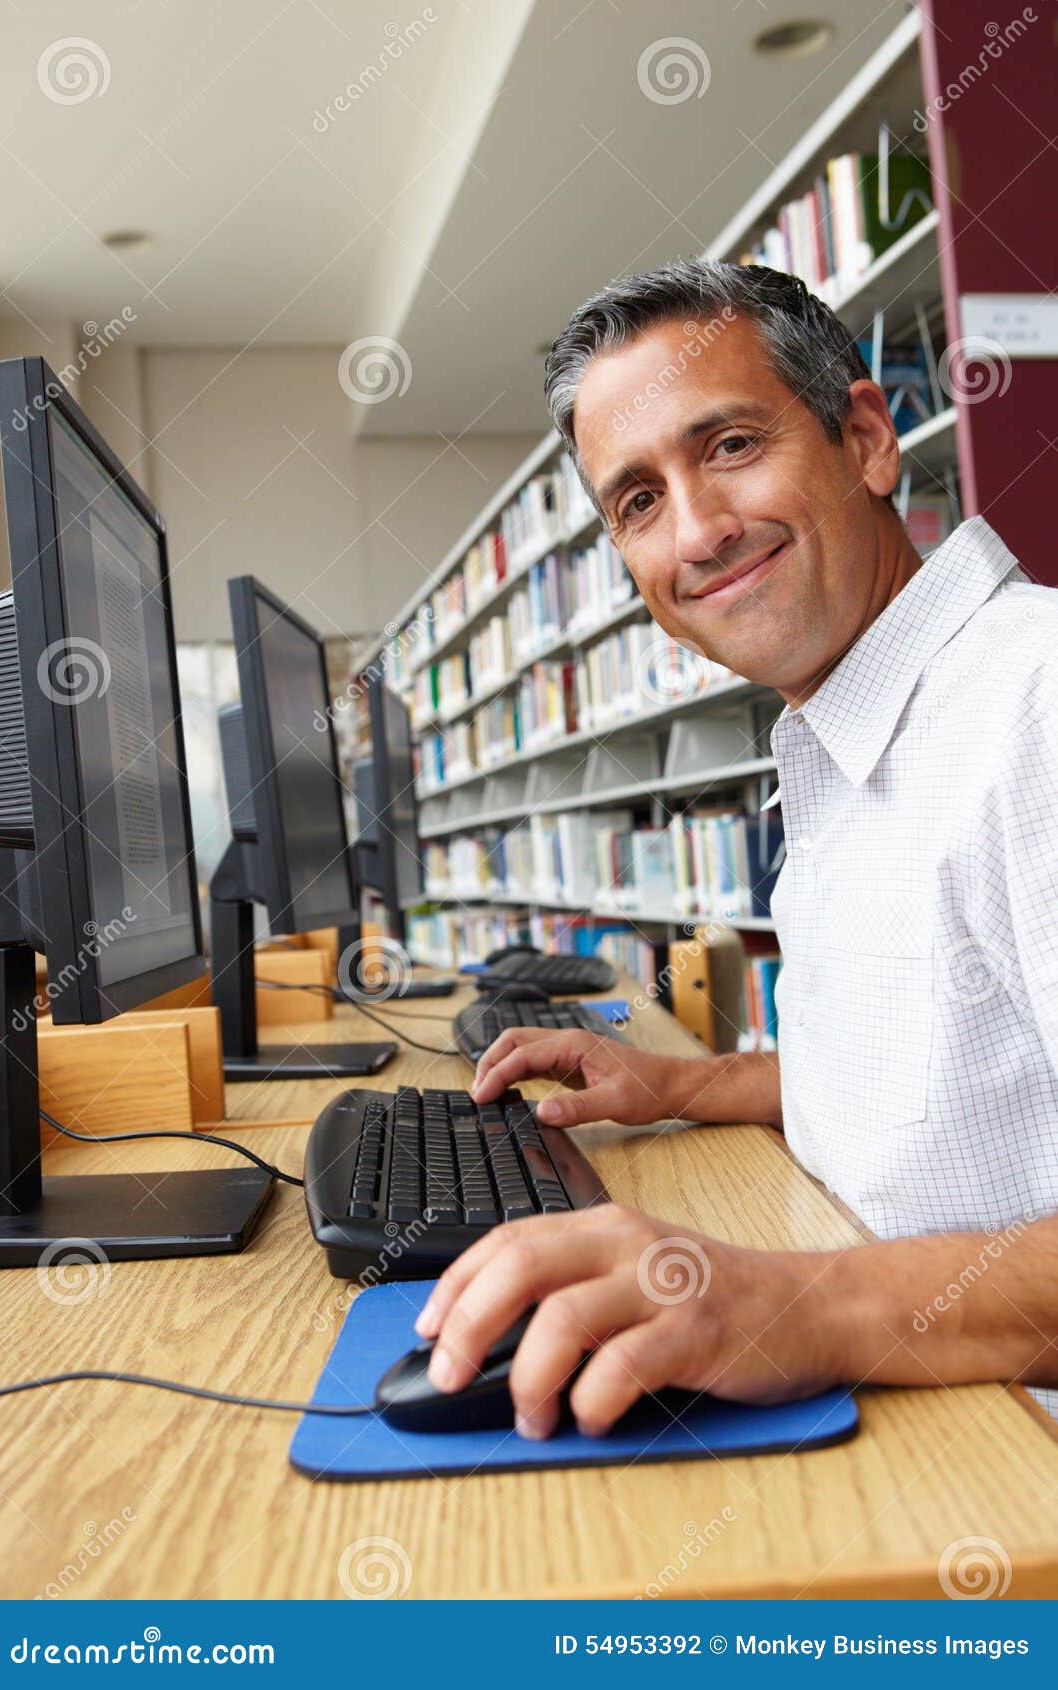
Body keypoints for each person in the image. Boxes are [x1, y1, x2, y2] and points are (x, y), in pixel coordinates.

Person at [416, 260, 1058, 1440]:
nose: (699, 532)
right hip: (935, 1411)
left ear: (865, 438)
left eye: (726, 446)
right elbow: (957, 1082)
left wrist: (795, 1301)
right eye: (637, 502)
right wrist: (682, 1085)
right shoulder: (838, 731)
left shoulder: (1031, 703)